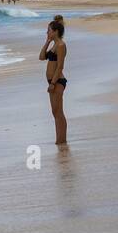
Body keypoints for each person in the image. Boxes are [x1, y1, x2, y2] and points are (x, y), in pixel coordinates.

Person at [40, 15, 68, 144]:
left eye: (49, 30)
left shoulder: (61, 45)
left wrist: (53, 83)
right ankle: (59, 140)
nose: (47, 32)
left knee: (58, 112)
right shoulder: (54, 44)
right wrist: (47, 41)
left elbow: (60, 66)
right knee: (54, 112)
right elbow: (41, 57)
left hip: (57, 82)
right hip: (52, 82)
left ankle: (61, 140)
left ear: (55, 31)